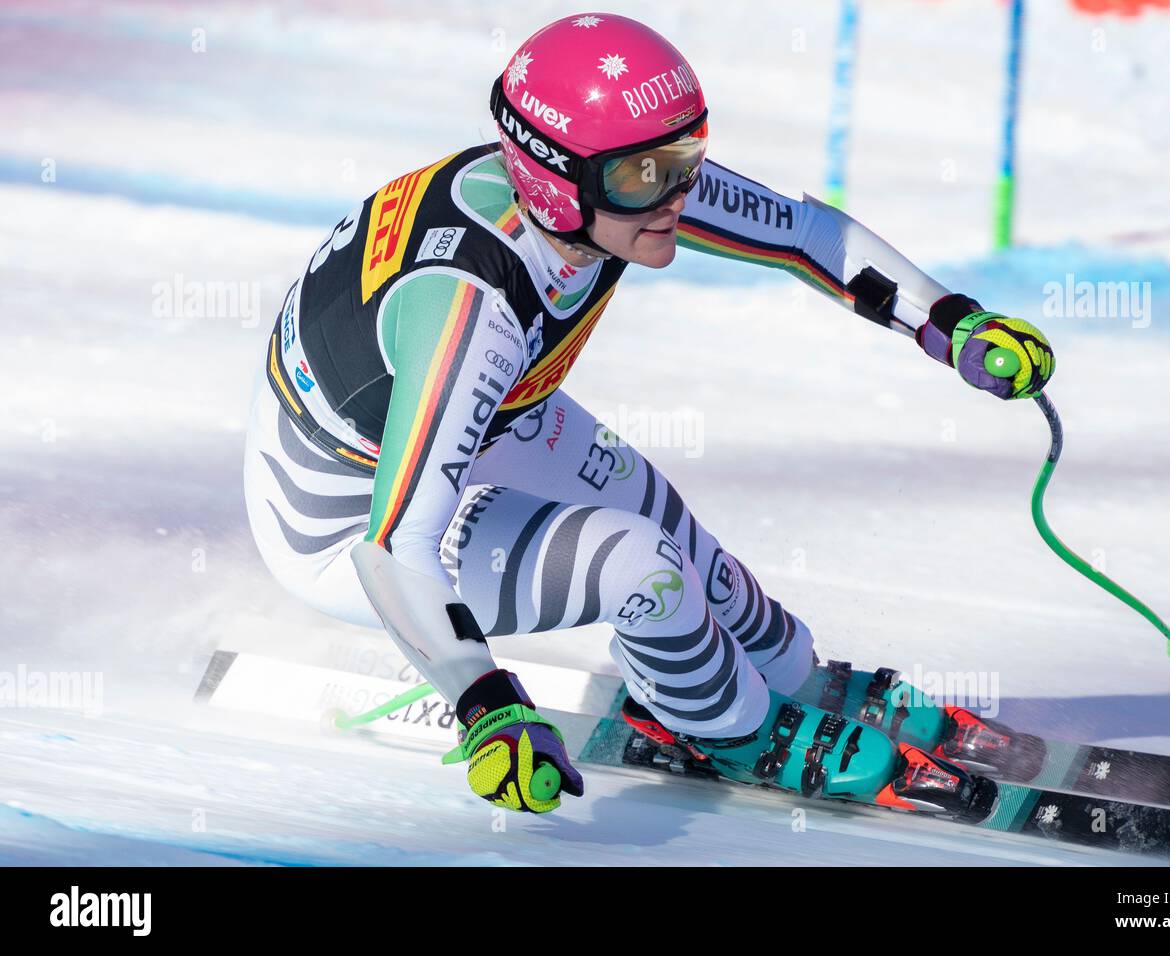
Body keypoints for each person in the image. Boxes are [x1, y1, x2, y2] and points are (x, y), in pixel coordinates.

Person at [243, 12, 1054, 815]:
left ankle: (792, 675)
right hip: (340, 519)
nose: (675, 197)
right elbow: (393, 547)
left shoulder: (608, 193)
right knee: (639, 563)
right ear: (556, 181)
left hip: (486, 415)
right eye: (647, 176)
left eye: (688, 156)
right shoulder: (472, 307)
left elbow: (803, 234)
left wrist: (950, 322)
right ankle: (738, 732)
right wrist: (487, 705)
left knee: (683, 544)